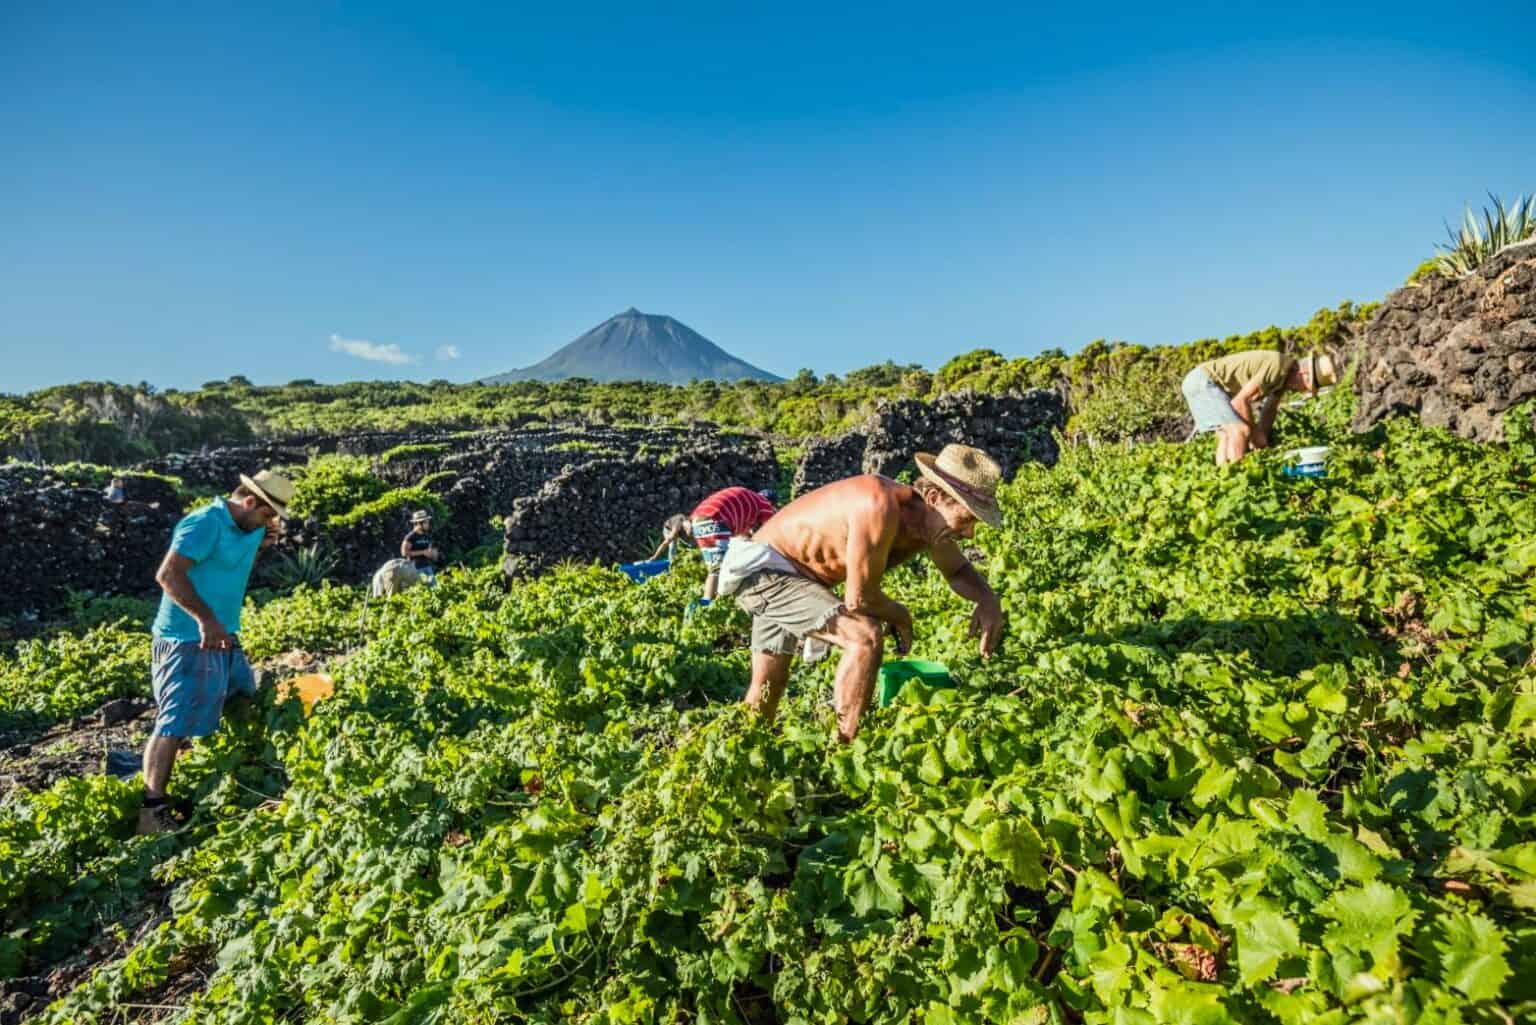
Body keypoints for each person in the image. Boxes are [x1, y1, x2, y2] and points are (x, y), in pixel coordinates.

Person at [720, 445, 1005, 743]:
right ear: (934, 498)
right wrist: (902, 616)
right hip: (767, 570)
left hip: (789, 577)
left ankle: (746, 748)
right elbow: (859, 599)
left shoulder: (929, 525)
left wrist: (987, 599)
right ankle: (844, 748)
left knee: (770, 684)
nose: (969, 533)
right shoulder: (878, 504)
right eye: (967, 519)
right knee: (864, 638)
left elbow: (957, 571)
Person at [139, 469, 292, 834]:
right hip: (185, 637)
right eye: (268, 514)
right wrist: (206, 620)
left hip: (224, 635)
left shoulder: (251, 529)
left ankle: (242, 773)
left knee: (244, 699)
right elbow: (168, 575)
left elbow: (230, 565)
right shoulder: (204, 523)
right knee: (174, 721)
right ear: (249, 501)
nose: (270, 523)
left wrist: (264, 543)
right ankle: (151, 810)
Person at [1181, 350, 1338, 465]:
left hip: (1202, 383)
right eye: (1305, 387)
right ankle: (1238, 480)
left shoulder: (1283, 378)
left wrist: (1262, 438)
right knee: (1240, 430)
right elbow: (1239, 401)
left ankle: (1223, 477)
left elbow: (1269, 410)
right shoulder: (1277, 367)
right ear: (1304, 374)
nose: (1298, 391)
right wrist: (1255, 435)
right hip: (1203, 382)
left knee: (1226, 435)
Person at [650, 487, 778, 600]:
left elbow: (744, 535)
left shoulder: (749, 502)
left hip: (698, 520)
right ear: (771, 503)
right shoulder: (764, 505)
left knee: (715, 566)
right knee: (717, 569)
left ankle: (713, 598)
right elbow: (772, 533)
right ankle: (709, 603)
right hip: (716, 519)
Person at [400, 509, 440, 584]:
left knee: (434, 588)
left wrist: (433, 554)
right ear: (419, 523)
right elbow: (404, 553)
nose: (428, 524)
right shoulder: (411, 537)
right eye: (426, 522)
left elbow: (429, 553)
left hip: (427, 567)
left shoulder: (427, 536)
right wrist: (422, 552)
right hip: (415, 568)